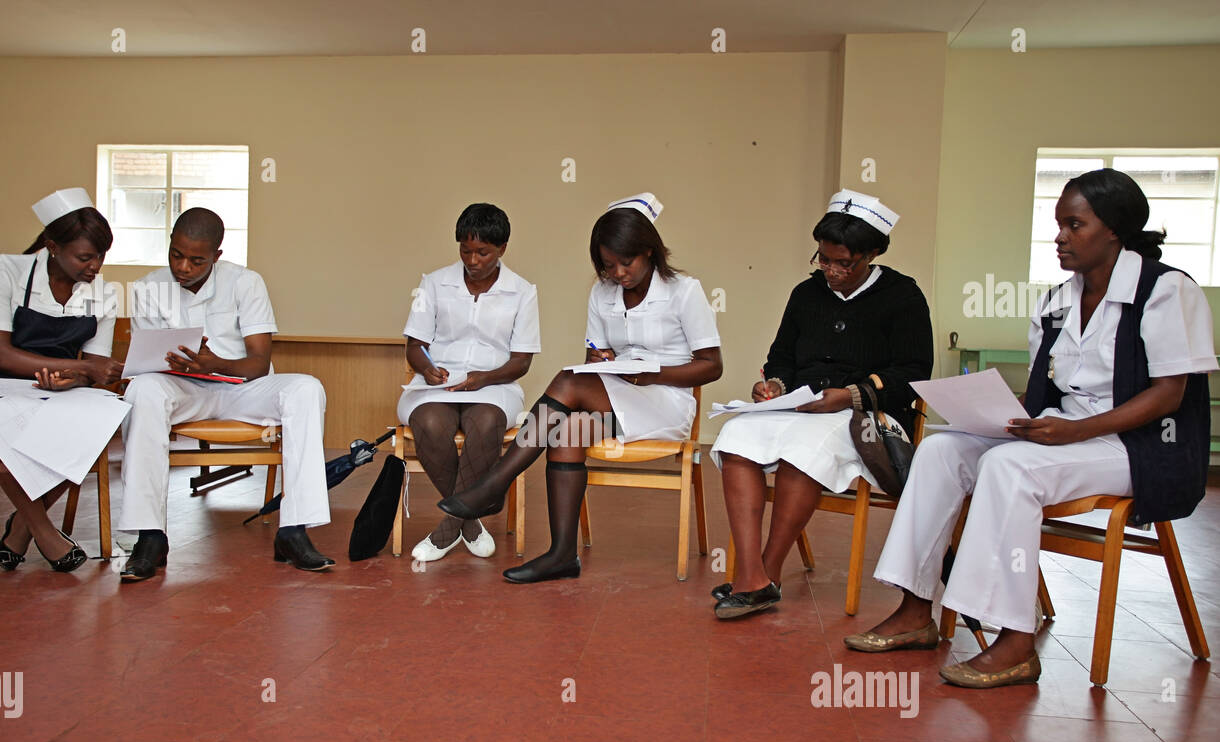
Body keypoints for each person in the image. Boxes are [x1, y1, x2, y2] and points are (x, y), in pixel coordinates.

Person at [849, 168, 1217, 688]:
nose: (1060, 237)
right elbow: (1049, 394)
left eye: (1074, 224)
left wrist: (1078, 430)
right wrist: (997, 413)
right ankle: (914, 610)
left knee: (1008, 466)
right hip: (1065, 433)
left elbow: (1169, 394)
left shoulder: (1165, 290)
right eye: (1059, 224)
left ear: (1113, 229)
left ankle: (1016, 640)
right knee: (941, 451)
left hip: (1136, 446)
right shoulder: (1058, 301)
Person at [438, 193, 723, 583]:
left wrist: (650, 374)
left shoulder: (684, 291)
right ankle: (561, 555)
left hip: (665, 403)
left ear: (650, 251)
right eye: (608, 265)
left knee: (568, 385)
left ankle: (493, 483)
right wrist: (603, 362)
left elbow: (711, 366)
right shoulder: (602, 292)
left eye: (628, 262)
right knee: (564, 428)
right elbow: (594, 354)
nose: (619, 273)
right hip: (617, 398)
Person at [709, 189, 933, 619]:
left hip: (868, 414)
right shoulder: (805, 294)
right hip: (802, 406)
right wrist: (773, 385)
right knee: (736, 434)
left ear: (872, 254)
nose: (831, 271)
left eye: (843, 263)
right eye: (823, 259)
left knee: (805, 450)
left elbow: (914, 375)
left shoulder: (903, 297)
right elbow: (782, 359)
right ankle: (752, 575)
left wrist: (849, 395)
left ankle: (764, 574)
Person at [118, 207, 333, 580]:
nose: (183, 267)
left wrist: (213, 364)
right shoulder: (148, 287)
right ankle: (149, 536)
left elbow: (259, 364)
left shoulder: (245, 282)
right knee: (143, 391)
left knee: (306, 389)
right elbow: (146, 362)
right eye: (176, 255)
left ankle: (294, 531)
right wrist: (180, 368)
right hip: (182, 389)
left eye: (196, 260)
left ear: (217, 256)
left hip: (239, 388)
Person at [0, 187, 123, 572]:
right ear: (52, 245)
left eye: (101, 256)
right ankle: (43, 532)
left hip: (59, 391)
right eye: (85, 256)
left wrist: (76, 380)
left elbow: (97, 367)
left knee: (102, 421)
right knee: (5, 431)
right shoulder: (8, 270)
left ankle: (20, 527)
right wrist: (81, 370)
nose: (95, 266)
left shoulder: (103, 293)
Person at [399, 203, 540, 562]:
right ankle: (470, 518)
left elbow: (521, 360)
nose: (473, 260)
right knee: (429, 422)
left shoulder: (522, 291)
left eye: (483, 252)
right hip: (438, 384)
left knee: (487, 422)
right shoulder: (433, 283)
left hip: (495, 384)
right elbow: (415, 346)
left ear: (502, 249)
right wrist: (428, 369)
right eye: (465, 250)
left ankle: (448, 527)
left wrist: (484, 379)